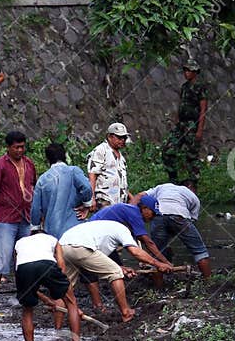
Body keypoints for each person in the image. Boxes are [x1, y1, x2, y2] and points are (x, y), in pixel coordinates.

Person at [59, 220, 173, 322]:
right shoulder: (123, 229)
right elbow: (135, 252)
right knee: (115, 273)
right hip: (80, 247)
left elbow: (97, 260)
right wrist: (158, 264)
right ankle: (126, 312)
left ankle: (57, 325)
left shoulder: (105, 229)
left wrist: (121, 267)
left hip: (63, 246)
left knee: (64, 286)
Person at [0, 131, 35, 287]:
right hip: (6, 216)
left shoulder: (29, 164)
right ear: (8, 147)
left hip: (26, 215)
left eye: (22, 147)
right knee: (2, 252)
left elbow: (33, 186)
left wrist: (38, 211)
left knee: (25, 252)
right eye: (16, 147)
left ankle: (23, 285)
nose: (19, 150)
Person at [14, 226, 80, 341]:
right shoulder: (53, 239)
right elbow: (61, 265)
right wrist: (62, 287)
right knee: (71, 303)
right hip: (47, 264)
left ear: (31, 235)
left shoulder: (19, 242)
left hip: (24, 268)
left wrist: (45, 298)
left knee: (27, 309)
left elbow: (19, 270)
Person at [131, 183, 212, 278]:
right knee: (199, 251)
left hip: (158, 215)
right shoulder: (194, 198)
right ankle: (208, 282)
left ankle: (159, 286)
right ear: (192, 190)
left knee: (157, 253)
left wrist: (131, 209)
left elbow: (139, 195)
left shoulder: (162, 187)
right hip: (179, 215)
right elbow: (190, 221)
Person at [31, 142, 92, 239]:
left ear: (47, 159)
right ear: (64, 155)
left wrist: (35, 227)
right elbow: (87, 187)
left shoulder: (42, 180)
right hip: (75, 228)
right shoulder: (73, 171)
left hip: (52, 232)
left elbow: (35, 208)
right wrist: (86, 205)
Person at [162, 61, 207, 189]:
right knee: (167, 150)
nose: (186, 73)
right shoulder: (184, 87)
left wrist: (199, 130)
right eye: (185, 70)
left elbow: (203, 109)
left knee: (192, 156)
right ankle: (173, 181)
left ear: (195, 72)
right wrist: (177, 121)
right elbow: (181, 104)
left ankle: (193, 184)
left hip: (192, 125)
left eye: (189, 70)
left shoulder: (200, 87)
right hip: (181, 125)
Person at [85, 122, 130, 213]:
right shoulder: (101, 150)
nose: (122, 140)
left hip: (119, 203)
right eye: (119, 137)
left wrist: (132, 198)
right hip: (104, 201)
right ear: (110, 137)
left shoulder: (121, 157)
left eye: (124, 138)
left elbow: (120, 182)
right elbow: (92, 175)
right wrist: (91, 198)